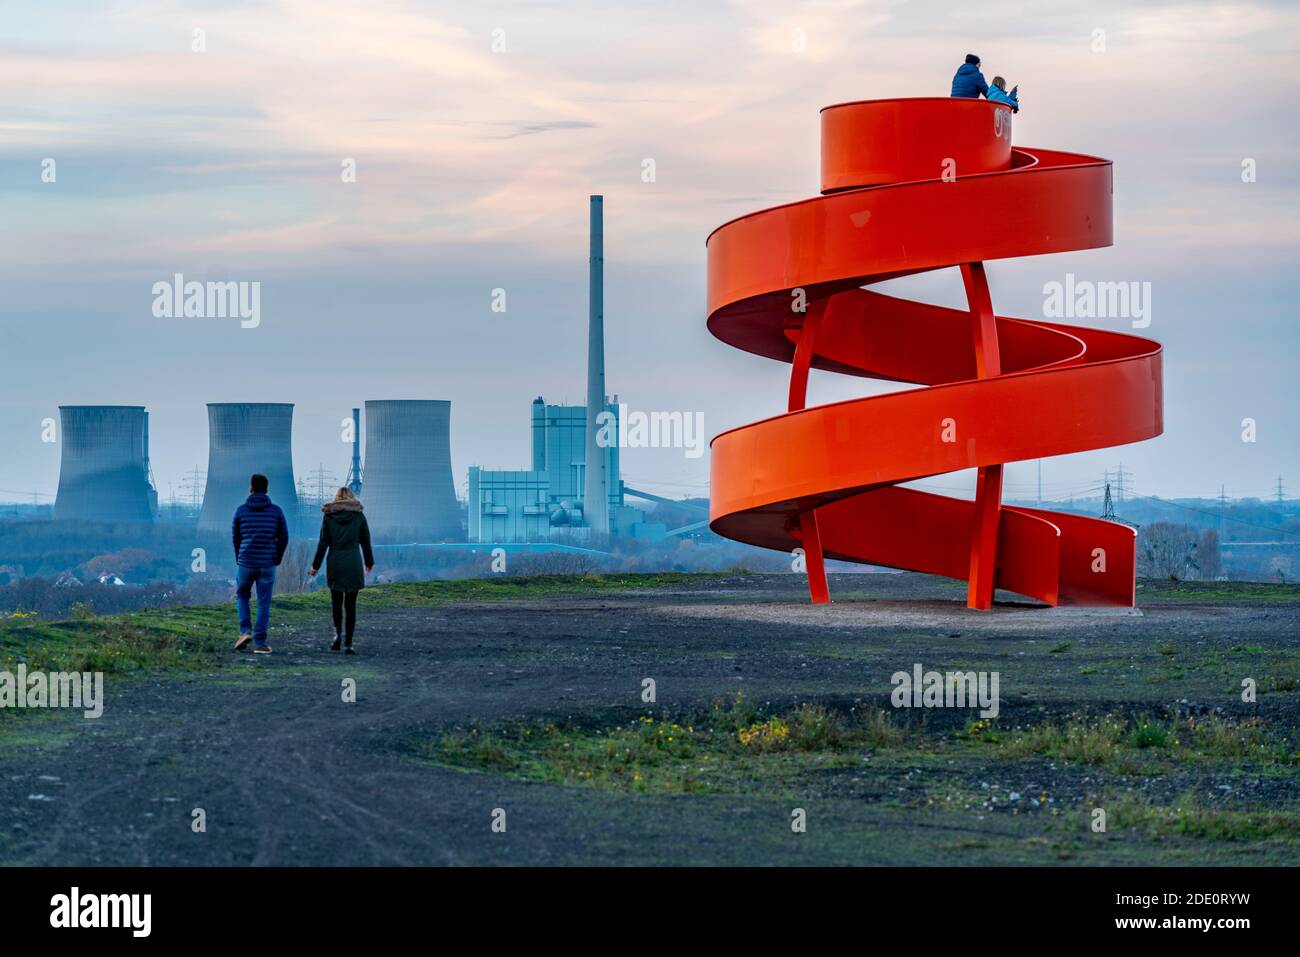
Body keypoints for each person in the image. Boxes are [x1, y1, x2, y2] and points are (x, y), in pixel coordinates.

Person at [309, 487, 374, 654]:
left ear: (336, 499)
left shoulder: (329, 517)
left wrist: (315, 566)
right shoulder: (359, 516)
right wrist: (369, 562)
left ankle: (337, 636)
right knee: (351, 606)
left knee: (336, 603)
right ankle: (349, 644)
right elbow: (366, 542)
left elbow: (322, 543)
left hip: (335, 562)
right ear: (352, 498)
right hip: (353, 562)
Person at [232, 473, 290, 655]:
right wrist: (277, 557)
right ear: (267, 490)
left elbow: (236, 538)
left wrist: (239, 557)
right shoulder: (276, 511)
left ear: (251, 489)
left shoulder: (241, 511)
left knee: (242, 596)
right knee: (264, 602)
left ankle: (245, 631)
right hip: (267, 564)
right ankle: (260, 643)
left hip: (246, 563)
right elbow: (284, 538)